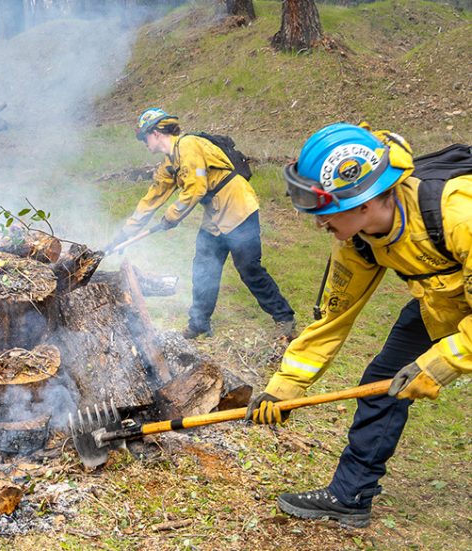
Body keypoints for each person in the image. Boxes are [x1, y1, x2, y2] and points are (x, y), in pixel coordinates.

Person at [246, 122, 471, 528]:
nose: (319, 224)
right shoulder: (358, 241)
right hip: (443, 303)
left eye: (326, 213)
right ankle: (349, 496)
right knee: (384, 380)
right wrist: (284, 388)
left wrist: (442, 361)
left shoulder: (457, 212)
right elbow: (333, 318)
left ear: (363, 202)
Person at [108, 108, 295, 339]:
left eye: (144, 137)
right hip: (215, 216)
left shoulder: (188, 146)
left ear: (156, 132)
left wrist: (171, 217)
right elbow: (151, 199)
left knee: (249, 269)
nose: (144, 143)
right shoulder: (169, 163)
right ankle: (199, 324)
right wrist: (125, 233)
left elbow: (196, 188)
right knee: (204, 268)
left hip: (238, 207)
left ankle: (284, 318)